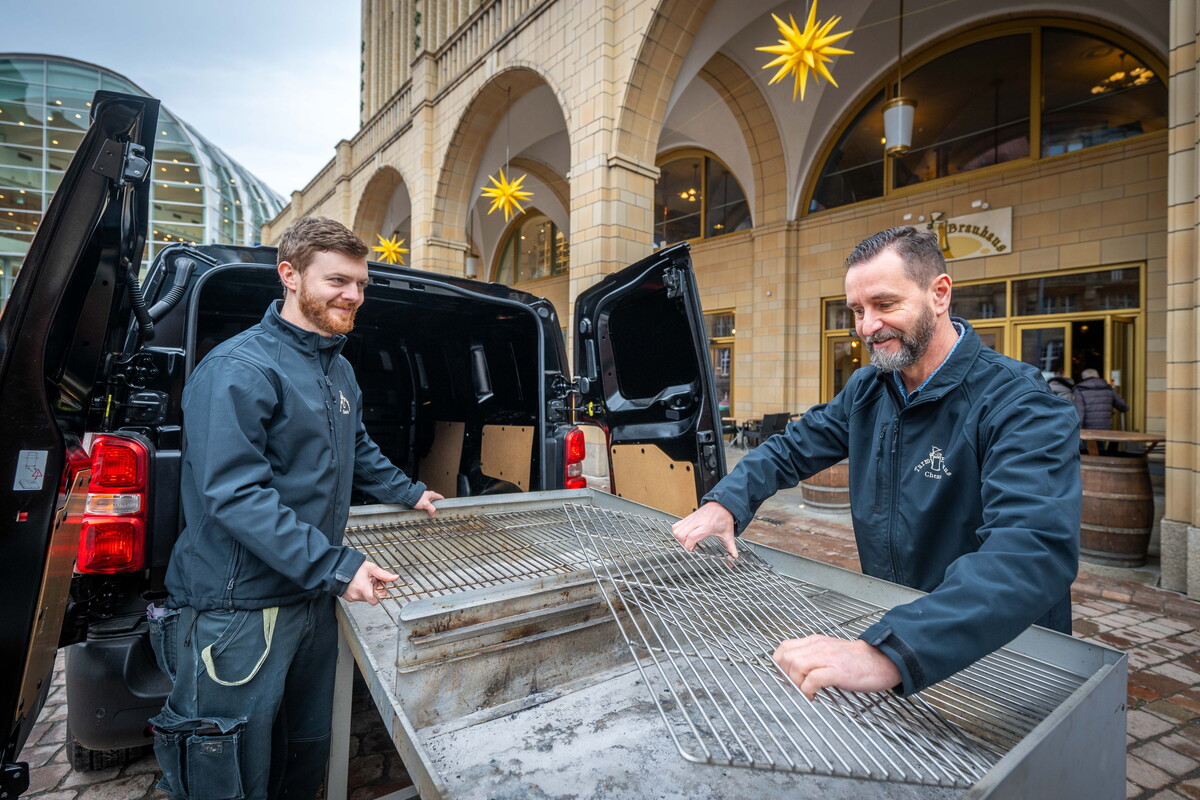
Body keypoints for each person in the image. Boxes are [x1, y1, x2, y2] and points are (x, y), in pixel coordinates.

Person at [672, 226, 1080, 700]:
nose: (867, 327)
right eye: (858, 311)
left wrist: (889, 652)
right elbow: (788, 449)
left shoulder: (1020, 403)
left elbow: (1031, 551)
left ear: (939, 294)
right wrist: (727, 501)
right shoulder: (869, 390)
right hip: (902, 629)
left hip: (1005, 653)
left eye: (885, 305)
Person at [149, 217, 443, 800]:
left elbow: (353, 445)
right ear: (289, 275)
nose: (353, 295)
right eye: (338, 280)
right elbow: (235, 493)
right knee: (230, 768)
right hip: (240, 607)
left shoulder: (337, 367)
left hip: (310, 597)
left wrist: (408, 491)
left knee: (303, 754)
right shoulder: (240, 368)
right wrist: (337, 566)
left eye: (360, 283)